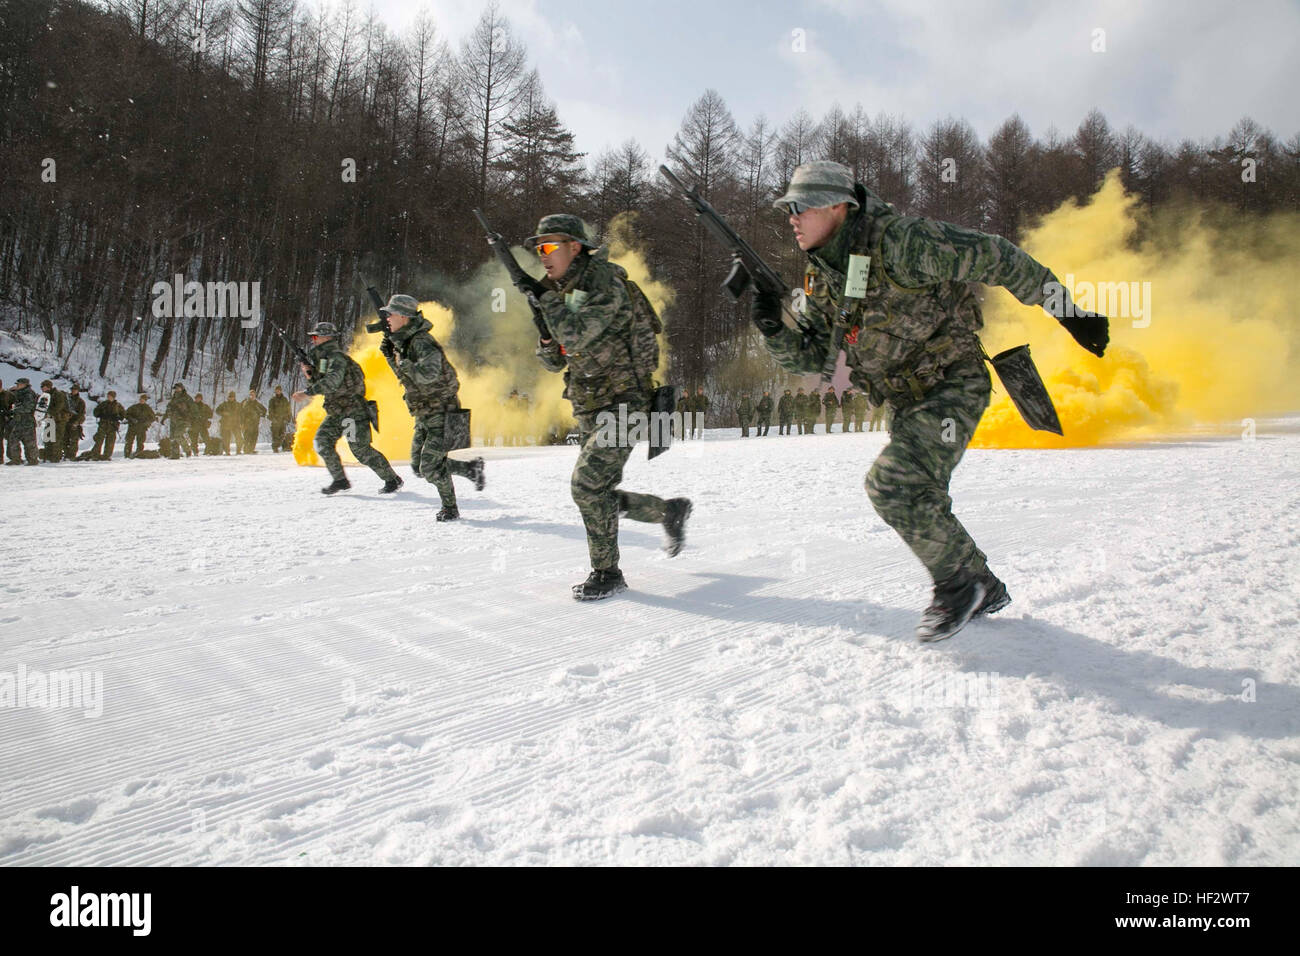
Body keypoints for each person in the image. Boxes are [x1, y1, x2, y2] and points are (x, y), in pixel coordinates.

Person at [754, 160, 1108, 642]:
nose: (791, 217)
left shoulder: (904, 243)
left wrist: (1068, 311)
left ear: (839, 207)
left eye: (800, 207)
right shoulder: (826, 273)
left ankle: (958, 585)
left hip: (952, 383)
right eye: (787, 209)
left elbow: (996, 255)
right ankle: (983, 583)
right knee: (922, 498)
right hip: (905, 402)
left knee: (892, 485)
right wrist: (773, 326)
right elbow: (816, 358)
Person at [528, 213, 691, 600]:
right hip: (590, 406)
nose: (543, 255)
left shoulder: (606, 284)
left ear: (576, 247)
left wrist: (547, 305)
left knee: (586, 487)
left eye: (550, 246)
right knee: (597, 493)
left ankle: (607, 573)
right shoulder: (566, 294)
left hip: (626, 404)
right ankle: (667, 511)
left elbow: (577, 333)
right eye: (538, 248)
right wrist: (546, 338)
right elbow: (556, 360)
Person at [379, 293, 485, 520]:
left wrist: (402, 360)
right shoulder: (408, 342)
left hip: (442, 412)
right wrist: (391, 356)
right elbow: (406, 377)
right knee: (418, 466)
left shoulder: (421, 342)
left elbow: (429, 374)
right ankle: (470, 469)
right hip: (425, 413)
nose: (387, 318)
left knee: (429, 467)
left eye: (391, 314)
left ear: (404, 317)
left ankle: (451, 508)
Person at [292, 322, 401, 495]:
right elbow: (323, 381)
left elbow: (332, 382)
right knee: (322, 441)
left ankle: (392, 479)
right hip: (337, 412)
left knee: (360, 449)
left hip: (353, 412)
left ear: (327, 338)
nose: (313, 340)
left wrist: (307, 392)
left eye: (315, 336)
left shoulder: (336, 358)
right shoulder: (324, 359)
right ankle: (340, 480)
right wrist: (310, 374)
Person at [5, 378, 39, 465]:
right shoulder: (19, 393)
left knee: (29, 442)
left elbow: (28, 407)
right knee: (13, 440)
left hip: (27, 422)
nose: (17, 385)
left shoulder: (29, 394)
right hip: (18, 421)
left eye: (19, 384)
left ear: (25, 384)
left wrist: (15, 410)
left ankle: (33, 460)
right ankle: (16, 459)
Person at [91, 391, 127, 460]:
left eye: (110, 396)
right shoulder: (103, 404)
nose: (109, 397)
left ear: (113, 397)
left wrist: (117, 417)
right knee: (99, 440)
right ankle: (95, 455)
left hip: (112, 426)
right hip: (103, 425)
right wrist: (101, 414)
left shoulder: (118, 405)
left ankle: (107, 456)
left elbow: (123, 415)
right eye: (108, 396)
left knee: (110, 441)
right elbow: (95, 412)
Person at [162, 383, 195, 458]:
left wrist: (191, 419)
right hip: (173, 420)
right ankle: (175, 454)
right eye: (175, 388)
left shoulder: (187, 398)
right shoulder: (174, 398)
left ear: (182, 388)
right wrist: (164, 418)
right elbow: (169, 409)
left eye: (178, 388)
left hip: (183, 420)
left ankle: (187, 450)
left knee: (178, 435)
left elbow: (193, 409)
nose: (177, 389)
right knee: (173, 437)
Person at [39, 380, 68, 461]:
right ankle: (48, 456)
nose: (41, 388)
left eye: (43, 386)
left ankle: (55, 457)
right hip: (50, 419)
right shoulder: (46, 395)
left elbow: (59, 407)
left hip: (59, 420)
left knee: (56, 438)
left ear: (48, 386)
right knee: (47, 437)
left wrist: (48, 412)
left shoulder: (58, 394)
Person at [63, 384, 86, 460]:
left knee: (74, 441)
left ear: (78, 391)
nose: (73, 391)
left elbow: (82, 414)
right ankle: (66, 455)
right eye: (72, 389)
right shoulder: (66, 399)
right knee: (64, 439)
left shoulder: (80, 402)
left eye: (75, 389)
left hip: (74, 423)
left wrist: (77, 422)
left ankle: (72, 456)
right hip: (65, 422)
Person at [240, 388, 266, 454]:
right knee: (247, 437)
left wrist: (261, 414)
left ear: (255, 395)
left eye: (253, 395)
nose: (252, 396)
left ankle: (251, 449)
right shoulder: (246, 403)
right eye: (251, 395)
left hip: (255, 423)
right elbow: (242, 413)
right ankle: (246, 450)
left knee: (254, 437)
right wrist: (242, 422)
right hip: (247, 423)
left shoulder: (256, 403)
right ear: (249, 395)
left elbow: (264, 410)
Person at [267, 386, 292, 452]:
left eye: (279, 390)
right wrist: (273, 418)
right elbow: (270, 410)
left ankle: (277, 445)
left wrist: (288, 418)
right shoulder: (272, 400)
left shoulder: (285, 399)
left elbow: (288, 409)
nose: (278, 391)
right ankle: (275, 448)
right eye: (277, 390)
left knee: (282, 435)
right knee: (275, 435)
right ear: (275, 391)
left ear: (281, 391)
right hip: (276, 420)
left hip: (283, 420)